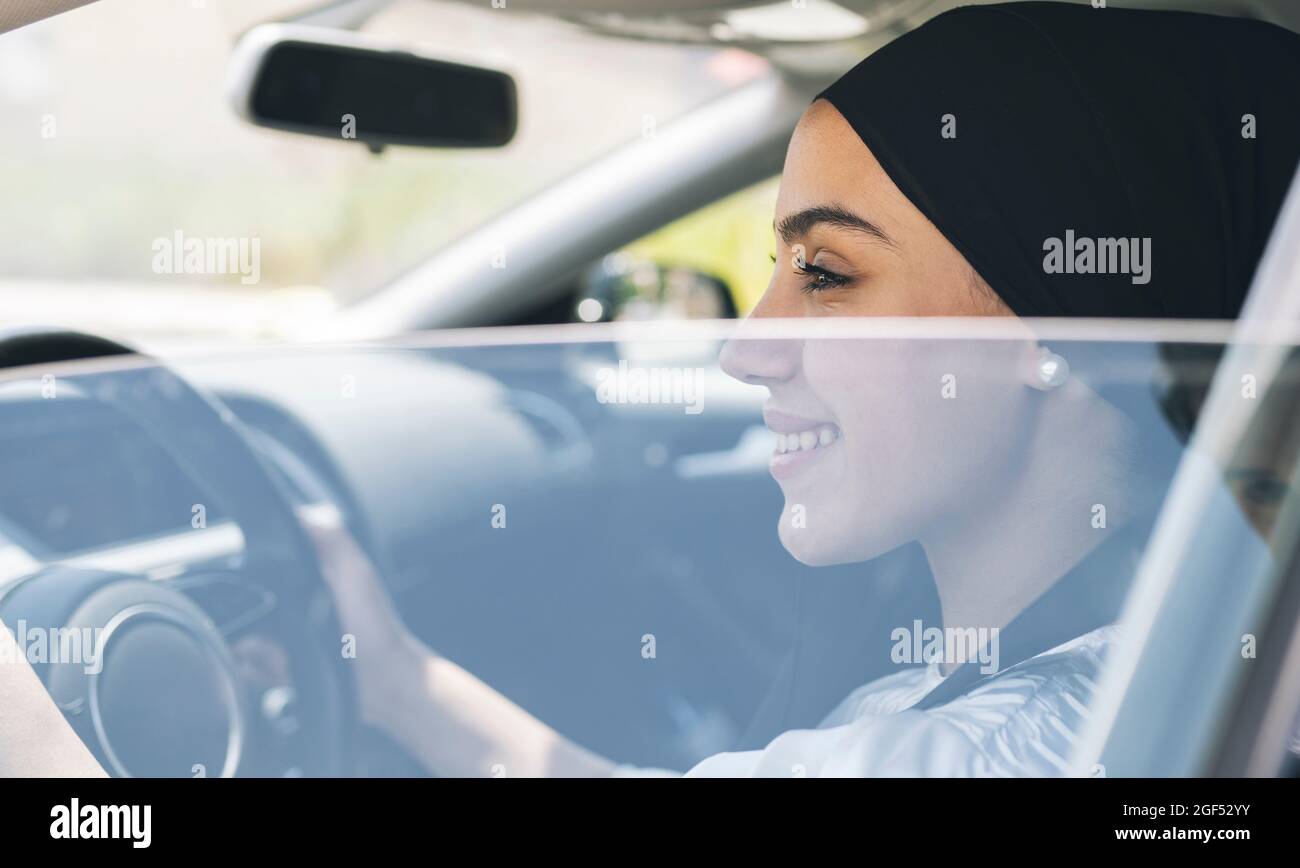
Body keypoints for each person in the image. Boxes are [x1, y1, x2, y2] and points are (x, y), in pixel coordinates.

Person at [7, 1, 1300, 777]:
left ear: (1059, 330)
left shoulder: (1002, 745)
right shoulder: (1133, 682)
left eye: (830, 276)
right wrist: (397, 680)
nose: (748, 345)